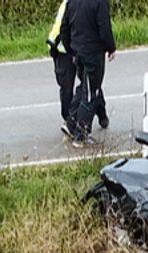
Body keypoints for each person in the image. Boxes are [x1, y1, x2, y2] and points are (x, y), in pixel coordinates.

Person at [60, 0, 116, 147]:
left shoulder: (73, 2)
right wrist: (111, 47)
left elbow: (64, 27)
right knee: (91, 92)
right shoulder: (100, 2)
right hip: (93, 53)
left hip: (77, 51)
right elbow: (104, 28)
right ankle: (81, 134)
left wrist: (70, 49)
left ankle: (71, 122)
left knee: (84, 86)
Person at [48, 0, 77, 138]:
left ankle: (101, 113)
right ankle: (68, 119)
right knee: (67, 87)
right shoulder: (70, 4)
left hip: (69, 47)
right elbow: (63, 30)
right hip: (62, 48)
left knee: (86, 84)